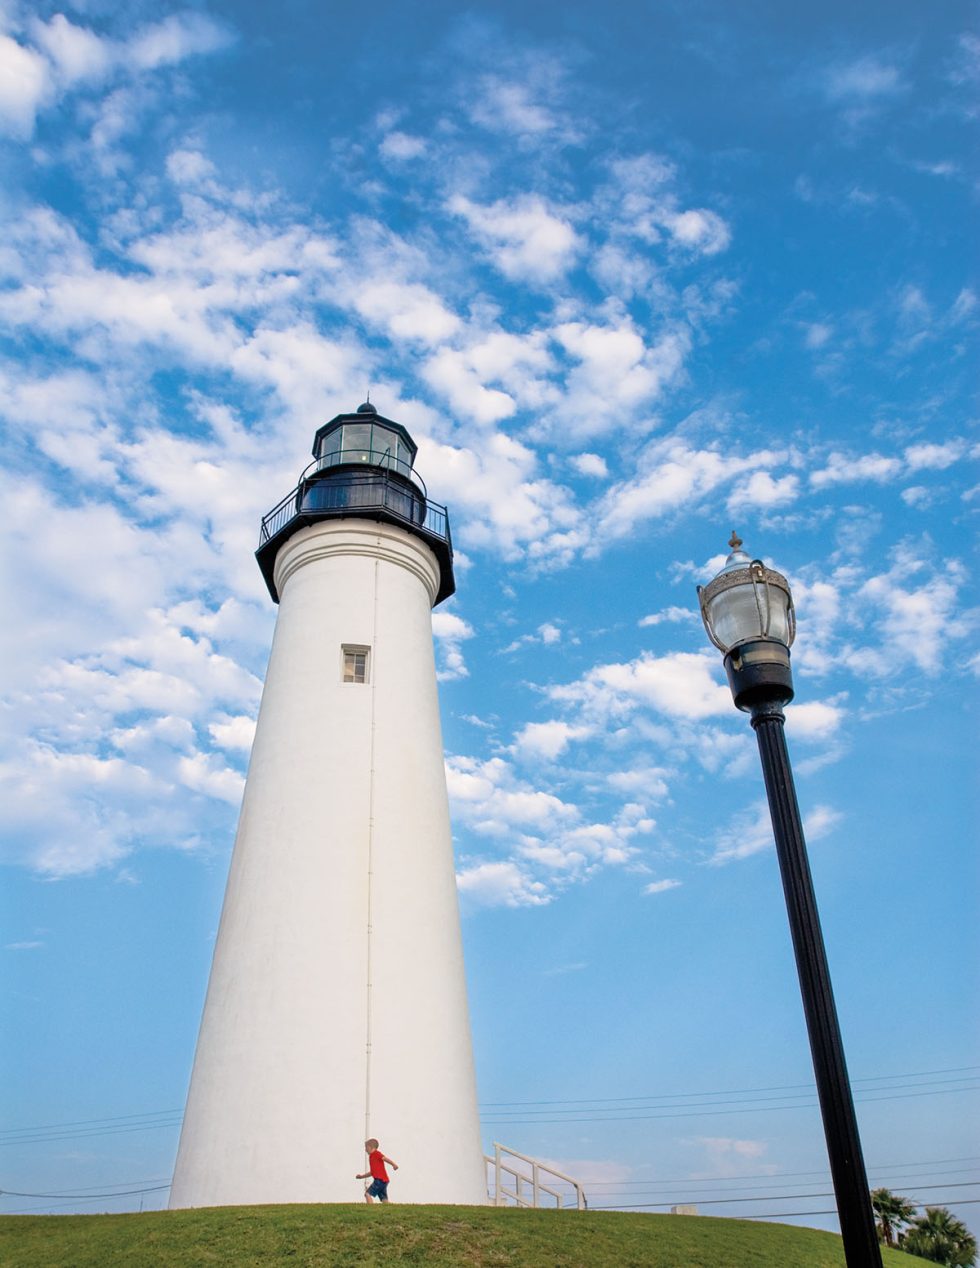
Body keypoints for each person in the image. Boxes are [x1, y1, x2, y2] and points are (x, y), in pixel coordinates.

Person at [356, 1138, 398, 1203]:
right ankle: (391, 1209)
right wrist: (361, 1176)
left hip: (380, 1180)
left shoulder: (376, 1153)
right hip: (384, 1180)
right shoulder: (371, 1157)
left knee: (367, 1194)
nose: (365, 1150)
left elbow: (385, 1158)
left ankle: (370, 1210)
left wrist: (393, 1164)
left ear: (370, 1147)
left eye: (366, 1147)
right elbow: (372, 1172)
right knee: (384, 1199)